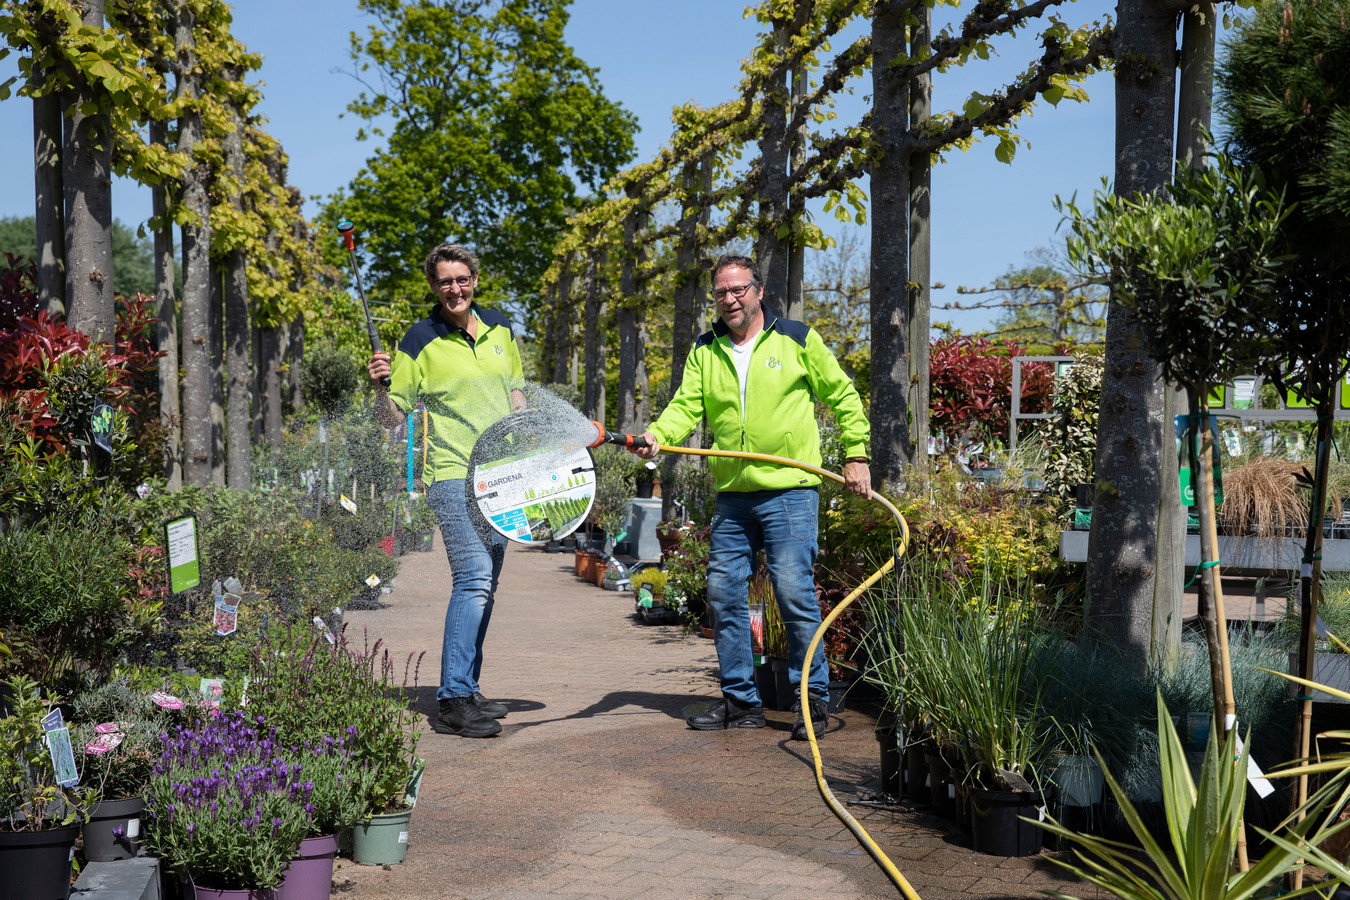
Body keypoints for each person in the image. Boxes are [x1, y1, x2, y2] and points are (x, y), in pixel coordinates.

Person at [631, 254, 871, 740]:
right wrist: (658, 433)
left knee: (794, 594)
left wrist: (857, 454)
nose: (730, 299)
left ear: (759, 291)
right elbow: (685, 406)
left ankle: (812, 702)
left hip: (790, 491)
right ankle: (741, 702)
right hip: (733, 496)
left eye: (738, 289)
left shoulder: (797, 339)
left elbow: (843, 394)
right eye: (721, 292)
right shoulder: (705, 349)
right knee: (722, 594)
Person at [368, 242, 525, 738]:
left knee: (489, 583)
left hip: (503, 477)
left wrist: (533, 447)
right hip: (454, 474)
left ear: (475, 280)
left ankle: (469, 685)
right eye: (444, 282)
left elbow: (516, 393)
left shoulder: (501, 327)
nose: (454, 289)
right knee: (474, 577)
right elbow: (391, 419)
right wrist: (380, 386)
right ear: (433, 287)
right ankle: (453, 699)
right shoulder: (419, 340)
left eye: (462, 279)